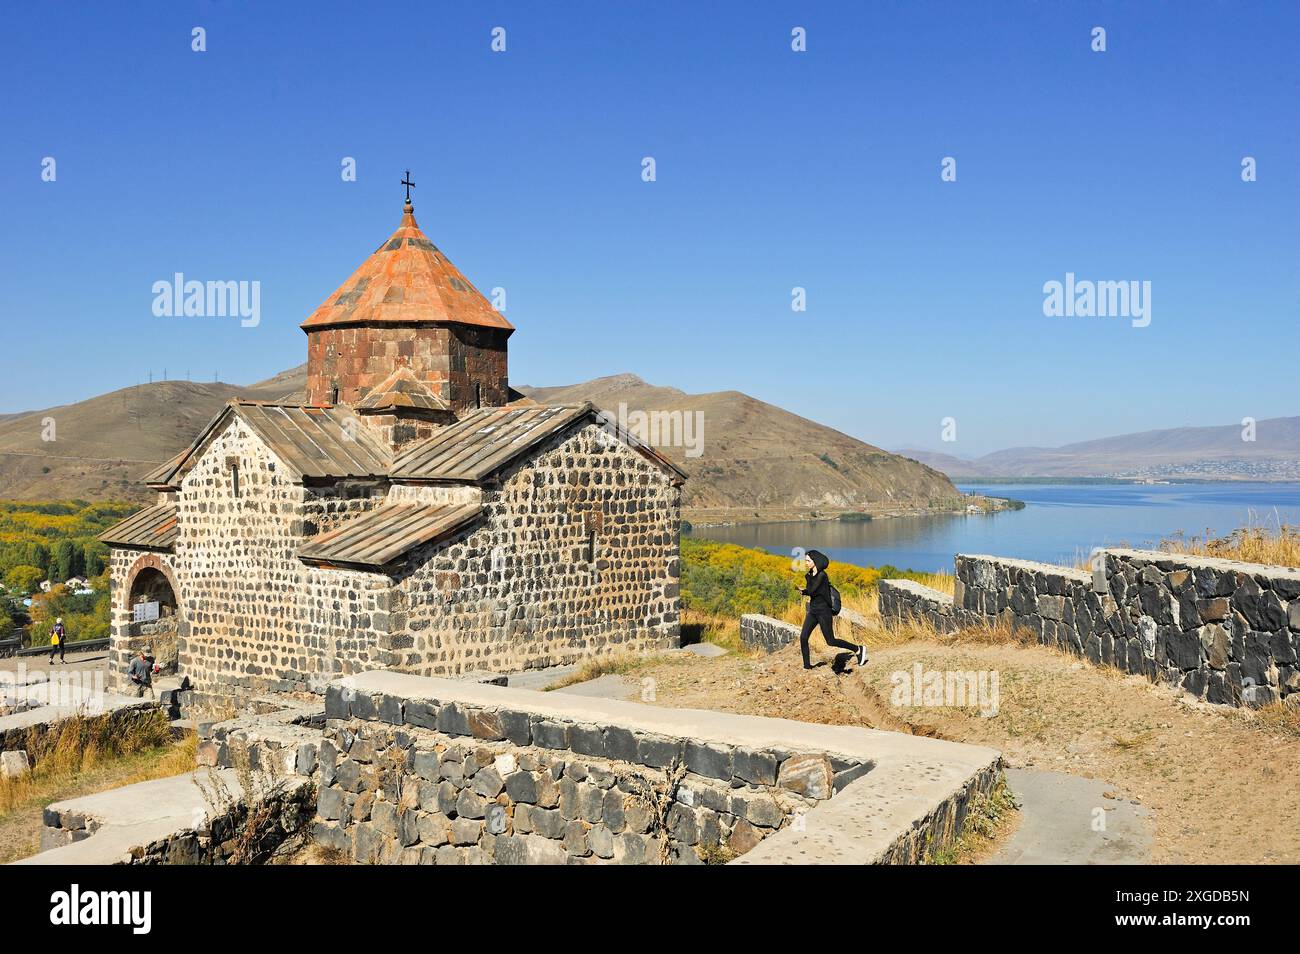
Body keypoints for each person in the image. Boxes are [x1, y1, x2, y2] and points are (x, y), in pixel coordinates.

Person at [798, 550, 867, 670]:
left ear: (815, 561)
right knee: (803, 637)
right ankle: (807, 666)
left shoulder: (822, 576)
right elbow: (811, 591)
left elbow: (812, 590)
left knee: (830, 641)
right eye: (806, 561)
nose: (806, 563)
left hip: (823, 611)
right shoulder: (810, 574)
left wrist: (805, 588)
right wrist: (805, 587)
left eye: (808, 561)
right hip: (813, 611)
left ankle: (858, 649)